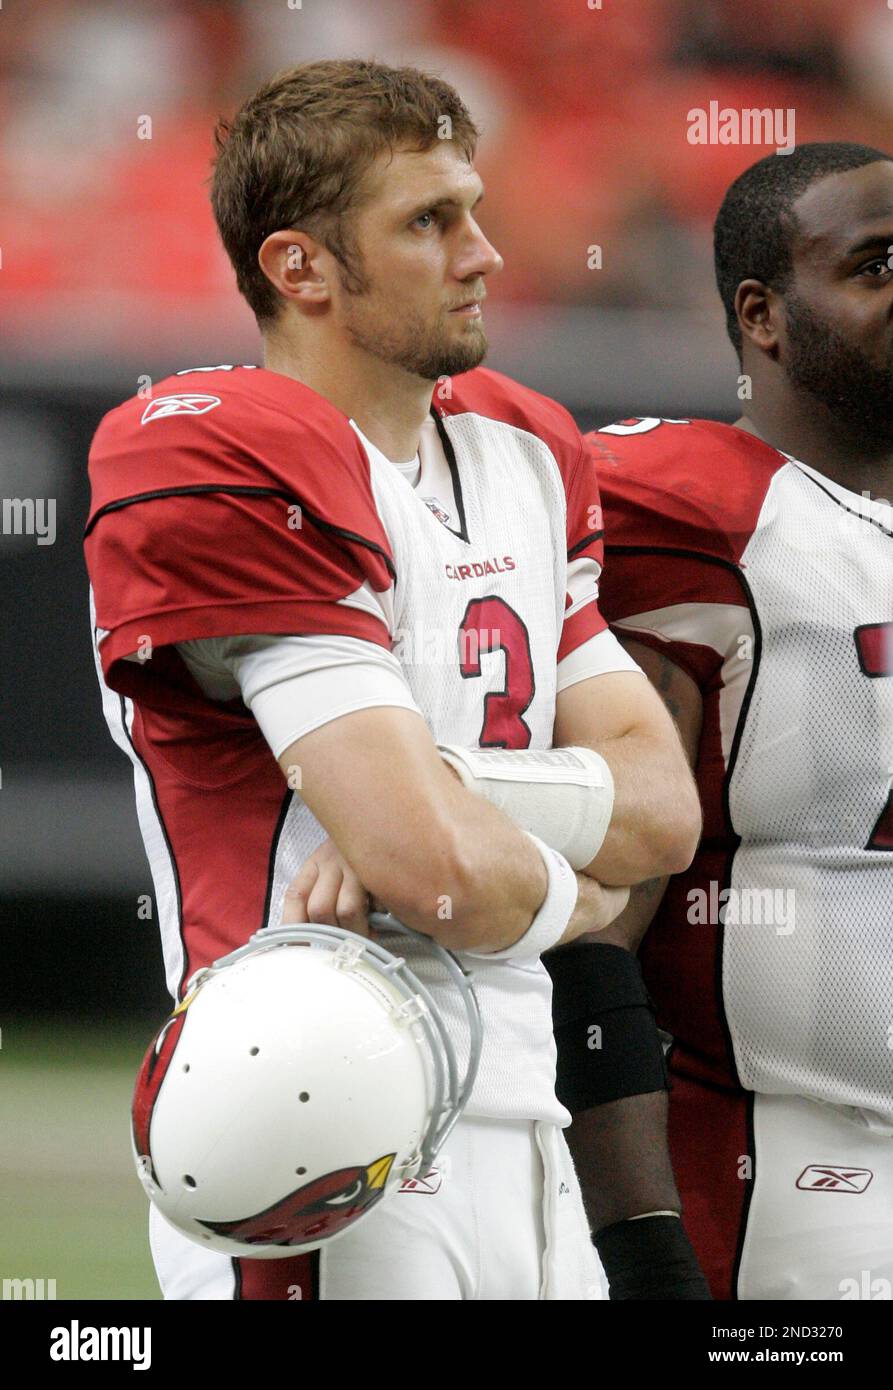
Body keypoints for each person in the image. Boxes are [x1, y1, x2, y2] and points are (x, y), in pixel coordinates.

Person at [84, 59, 700, 1301]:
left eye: (470, 208)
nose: (481, 252)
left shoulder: (522, 446)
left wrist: (447, 789)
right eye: (427, 221)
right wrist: (566, 890)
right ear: (298, 266)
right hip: (316, 1107)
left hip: (527, 1110)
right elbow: (438, 873)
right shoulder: (221, 448)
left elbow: (663, 809)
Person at [574, 142, 893, 1300]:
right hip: (786, 1189)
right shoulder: (695, 518)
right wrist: (642, 1243)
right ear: (761, 315)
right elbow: (591, 929)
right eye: (875, 263)